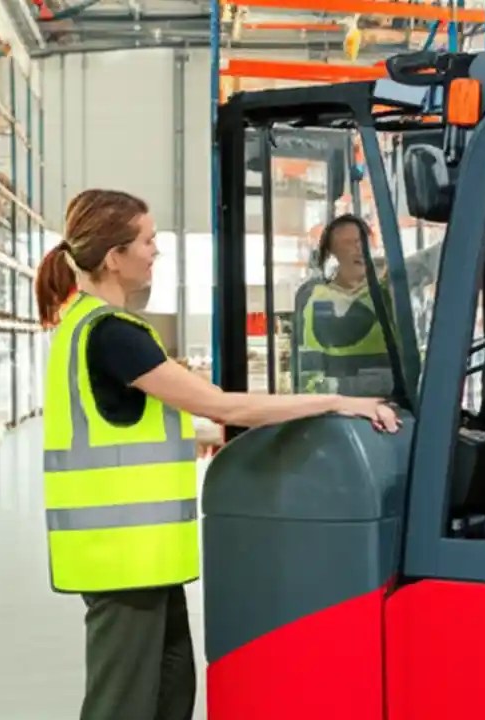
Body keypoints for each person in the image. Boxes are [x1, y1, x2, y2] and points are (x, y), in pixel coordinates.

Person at [35, 189, 400, 720]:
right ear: (114, 257)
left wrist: (199, 439)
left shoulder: (95, 325)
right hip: (122, 559)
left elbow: (132, 420)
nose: (156, 251)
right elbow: (223, 404)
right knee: (123, 703)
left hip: (144, 557)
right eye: (147, 240)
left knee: (169, 688)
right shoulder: (111, 333)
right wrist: (339, 401)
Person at [294, 213, 443, 397]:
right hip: (332, 409)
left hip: (386, 407)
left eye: (362, 241)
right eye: (349, 242)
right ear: (333, 250)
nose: (358, 248)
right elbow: (304, 370)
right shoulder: (310, 295)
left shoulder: (390, 285)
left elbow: (439, 257)